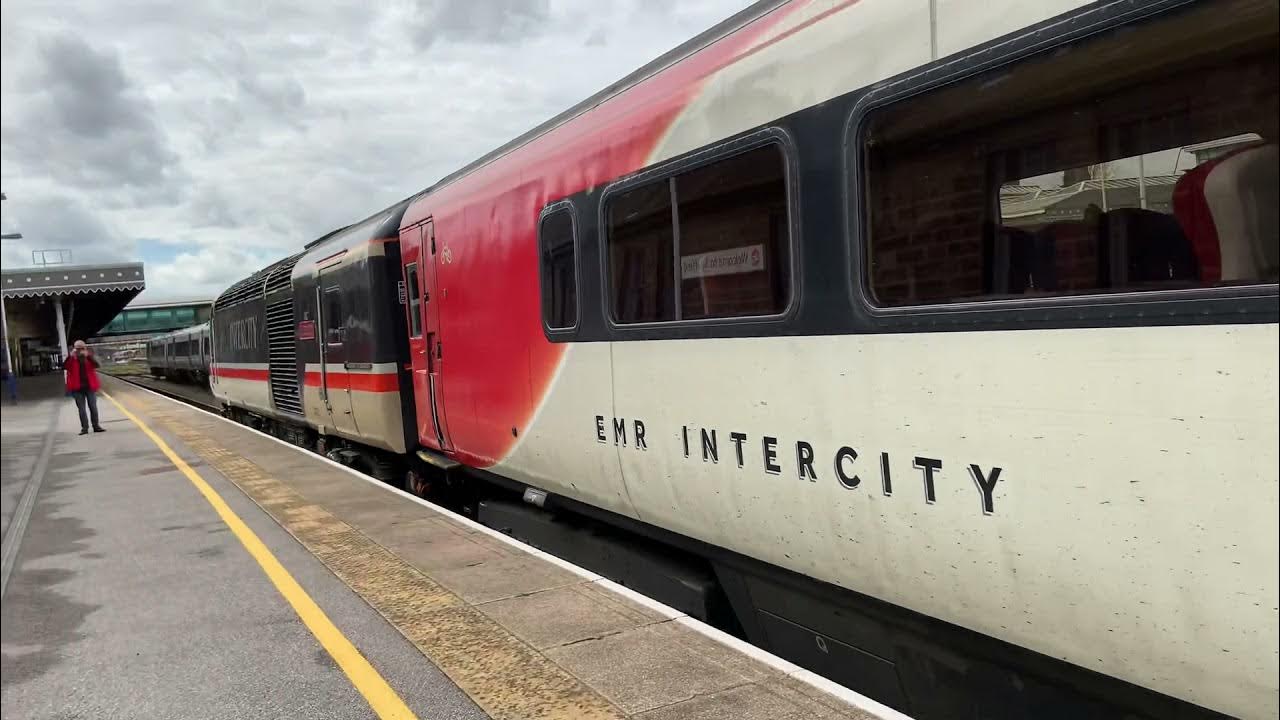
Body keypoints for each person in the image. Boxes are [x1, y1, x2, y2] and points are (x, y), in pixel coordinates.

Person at [64, 340, 105, 435]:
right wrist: (71, 357)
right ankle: (84, 428)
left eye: (82, 348)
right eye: (78, 349)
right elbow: (65, 367)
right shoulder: (71, 358)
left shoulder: (89, 356)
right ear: (74, 349)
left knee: (93, 407)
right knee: (81, 409)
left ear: (85, 348)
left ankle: (96, 426)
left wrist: (89, 356)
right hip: (77, 388)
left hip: (90, 387)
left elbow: (97, 365)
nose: (80, 350)